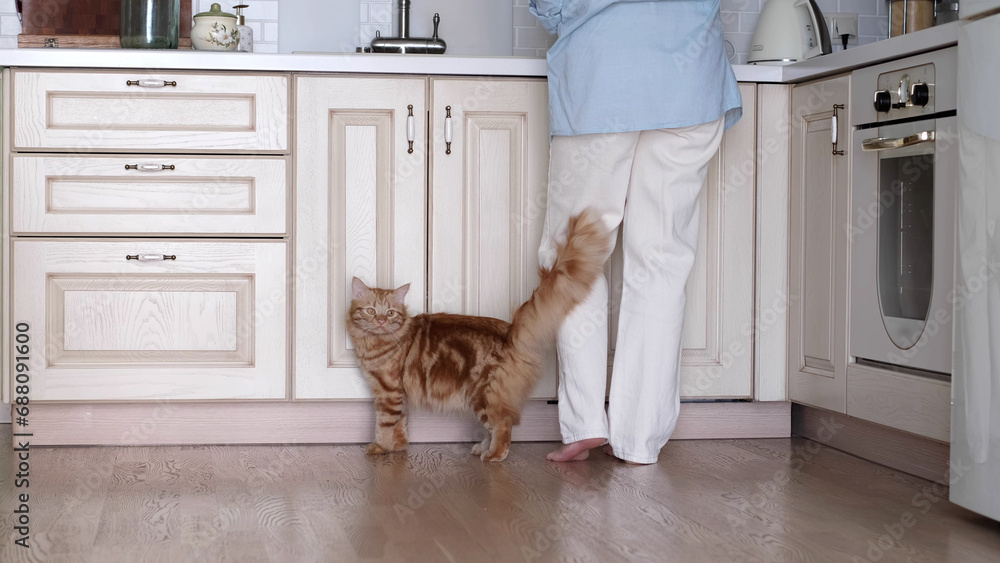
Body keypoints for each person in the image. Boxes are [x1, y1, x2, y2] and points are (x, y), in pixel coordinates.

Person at [529, 0, 742, 464]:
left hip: (602, 75)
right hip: (690, 82)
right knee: (661, 261)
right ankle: (639, 439)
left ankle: (585, 421)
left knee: (576, 255)